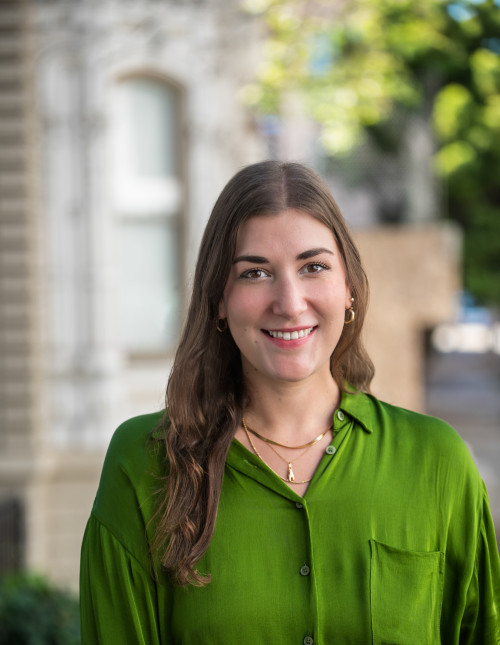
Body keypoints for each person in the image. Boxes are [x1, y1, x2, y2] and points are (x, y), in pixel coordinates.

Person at [80, 160, 500, 644]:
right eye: (256, 272)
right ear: (220, 297)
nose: (290, 301)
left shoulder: (436, 461)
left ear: (349, 289)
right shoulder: (143, 463)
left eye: (313, 267)